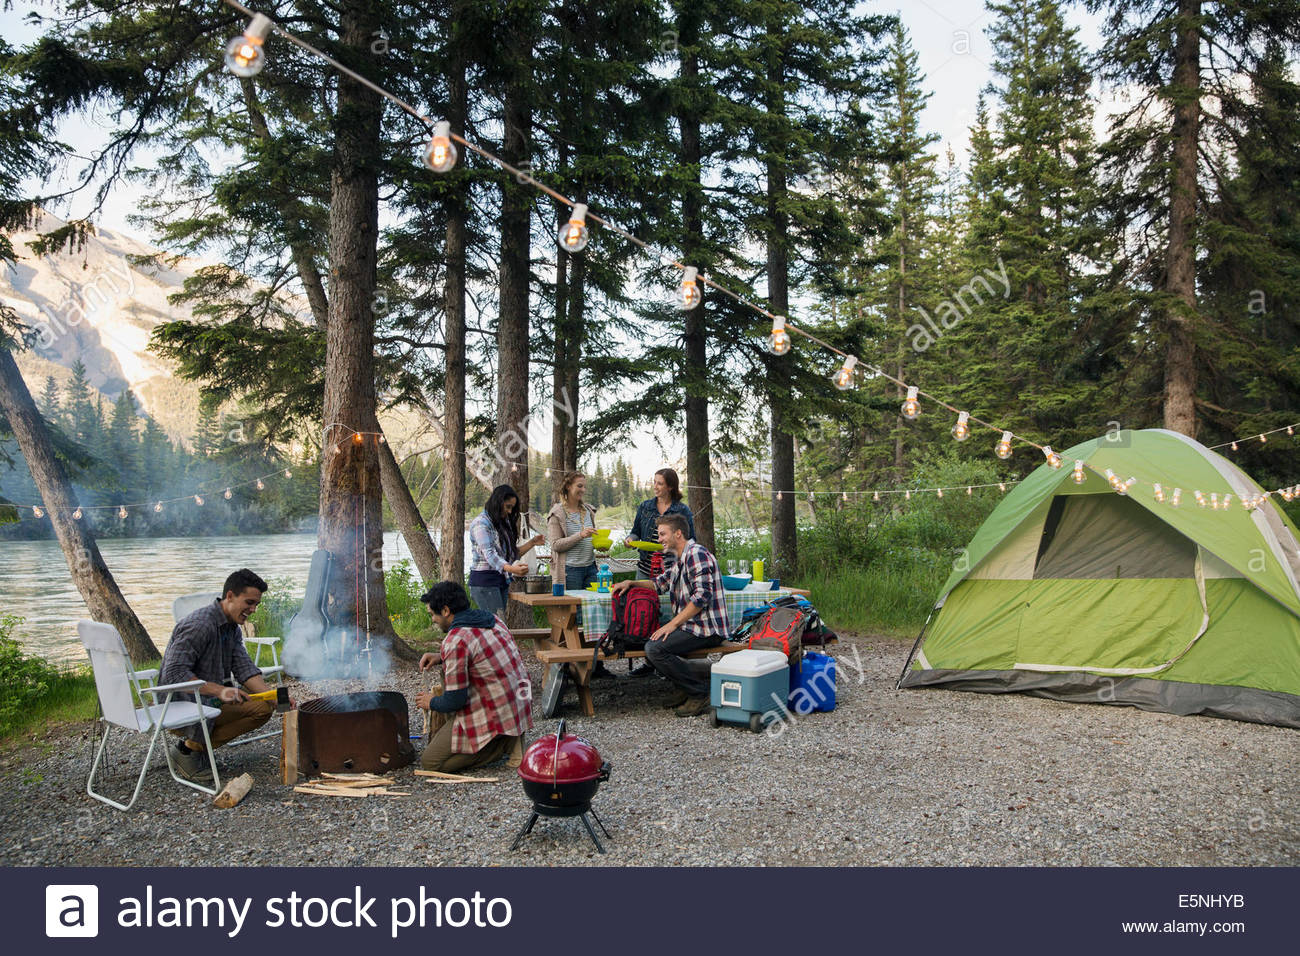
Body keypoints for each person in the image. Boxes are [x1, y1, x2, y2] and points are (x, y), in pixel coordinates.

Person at [158, 568, 276, 784]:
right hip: (180, 704)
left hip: (208, 700)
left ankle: (194, 748)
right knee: (256, 709)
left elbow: (244, 669)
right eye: (249, 602)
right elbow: (173, 675)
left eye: (256, 604)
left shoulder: (232, 628)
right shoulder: (200, 625)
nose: (253, 609)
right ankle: (187, 751)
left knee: (263, 708)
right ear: (230, 596)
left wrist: (274, 695)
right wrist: (221, 691)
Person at [612, 513, 728, 716]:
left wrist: (671, 625)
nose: (659, 540)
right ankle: (684, 688)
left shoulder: (696, 554)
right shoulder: (681, 557)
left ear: (678, 533)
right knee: (648, 640)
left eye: (663, 534)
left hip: (707, 628)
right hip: (692, 626)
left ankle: (699, 693)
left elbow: (702, 598)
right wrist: (631, 583)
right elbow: (659, 583)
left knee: (655, 649)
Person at [415, 581, 532, 773]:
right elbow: (479, 655)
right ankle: (507, 736)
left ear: (445, 611)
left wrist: (431, 702)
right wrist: (440, 657)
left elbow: (455, 700)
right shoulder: (491, 619)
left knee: (431, 762)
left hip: (497, 710)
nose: (433, 620)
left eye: (432, 615)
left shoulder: (455, 640)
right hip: (519, 702)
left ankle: (498, 747)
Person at [469, 483, 545, 619]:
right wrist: (512, 569)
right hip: (484, 582)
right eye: (508, 507)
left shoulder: (502, 523)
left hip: (500, 580)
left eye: (512, 508)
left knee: (498, 626)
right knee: (496, 626)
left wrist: (532, 543)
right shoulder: (481, 524)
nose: (510, 511)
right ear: (498, 502)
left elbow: (510, 555)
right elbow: (490, 555)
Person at [625, 467, 695, 578]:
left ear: (670, 487)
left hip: (672, 571)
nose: (655, 487)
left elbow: (691, 541)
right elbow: (635, 532)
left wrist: (670, 547)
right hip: (644, 570)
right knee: (640, 596)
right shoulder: (645, 507)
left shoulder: (682, 510)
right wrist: (630, 539)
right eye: (654, 482)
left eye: (660, 484)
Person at [546, 471, 599, 592]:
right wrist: (580, 535)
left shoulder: (588, 510)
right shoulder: (557, 513)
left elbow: (589, 539)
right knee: (574, 609)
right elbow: (555, 545)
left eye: (585, 486)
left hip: (591, 568)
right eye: (579, 486)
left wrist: (598, 545)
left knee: (592, 608)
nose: (583, 490)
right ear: (568, 486)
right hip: (570, 571)